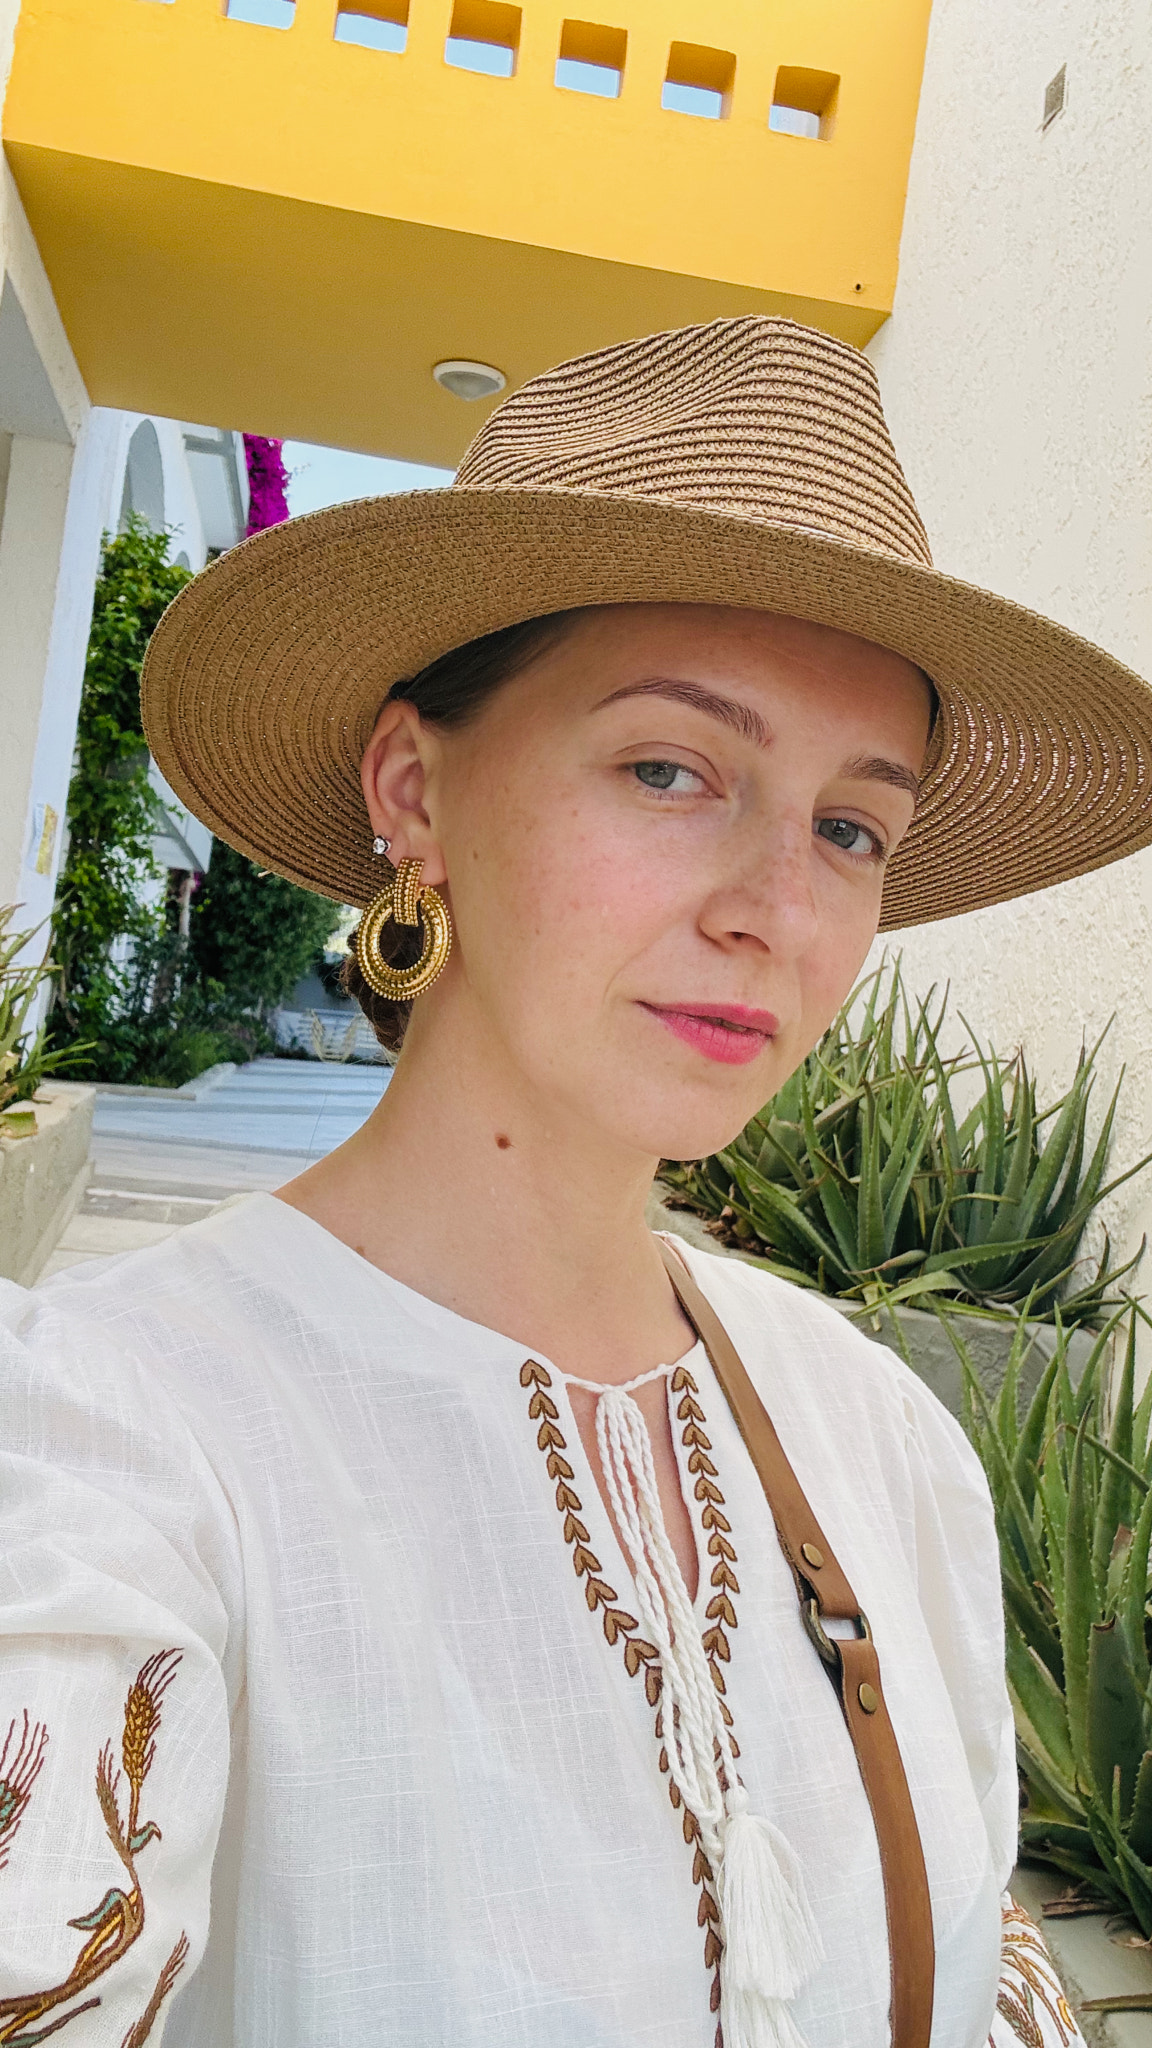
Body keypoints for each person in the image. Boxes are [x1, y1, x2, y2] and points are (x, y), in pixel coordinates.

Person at [3, 316, 1147, 2048]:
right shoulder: (111, 1440)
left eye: (852, 826)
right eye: (669, 769)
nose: (778, 909)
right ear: (414, 789)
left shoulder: (885, 1444)